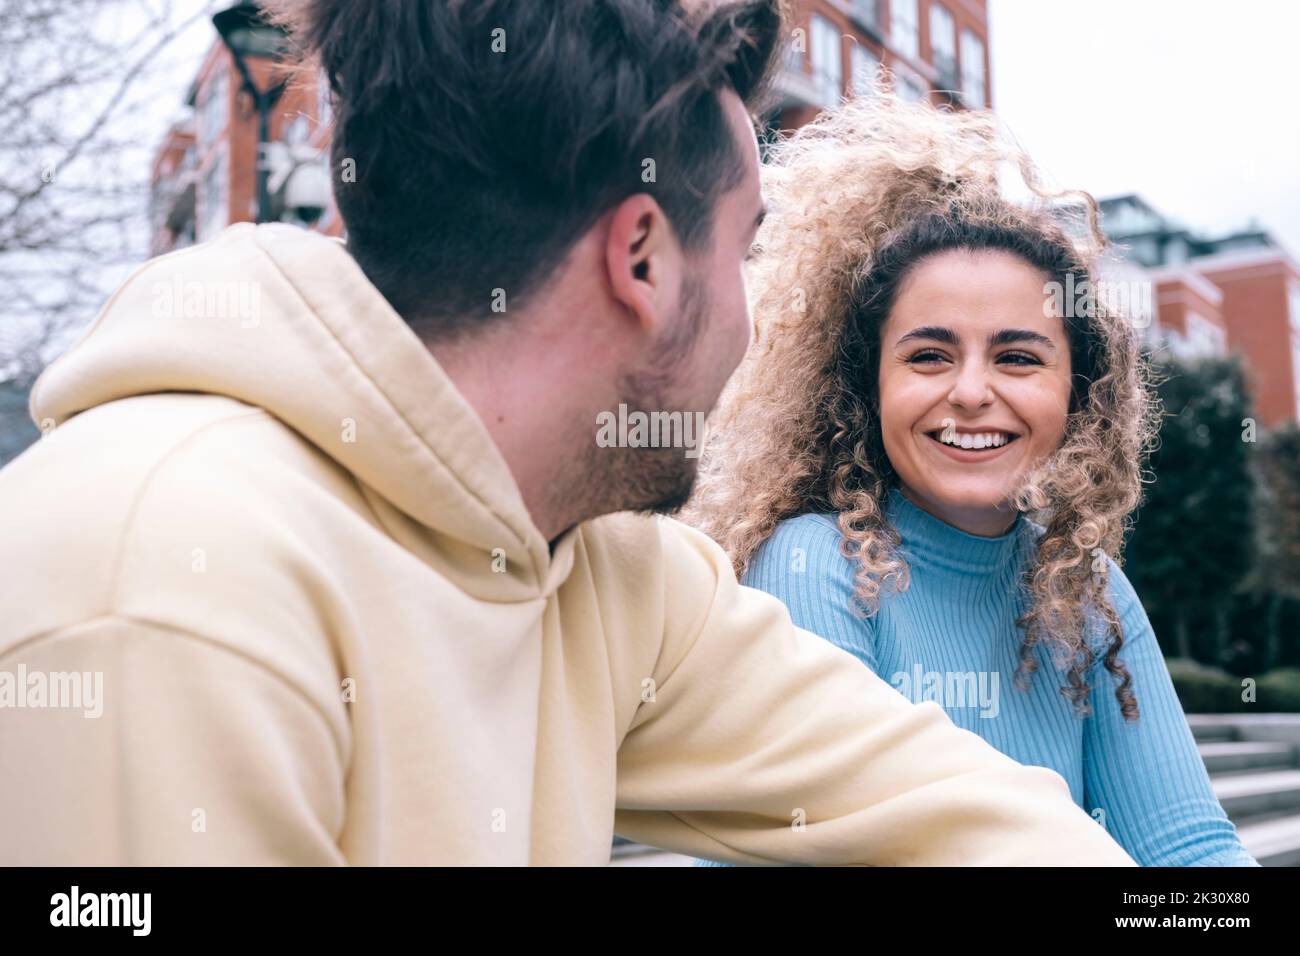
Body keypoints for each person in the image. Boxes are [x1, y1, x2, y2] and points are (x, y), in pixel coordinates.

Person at [0, 1, 1134, 865]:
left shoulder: (601, 575)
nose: (753, 320)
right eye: (744, 253)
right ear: (641, 260)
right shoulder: (159, 593)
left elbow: (973, 816)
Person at [684, 90, 1257, 866]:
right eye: (929, 355)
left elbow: (1189, 851)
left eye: (1018, 356)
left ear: (1076, 393)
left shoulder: (1090, 595)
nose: (972, 392)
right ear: (868, 385)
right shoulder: (811, 565)